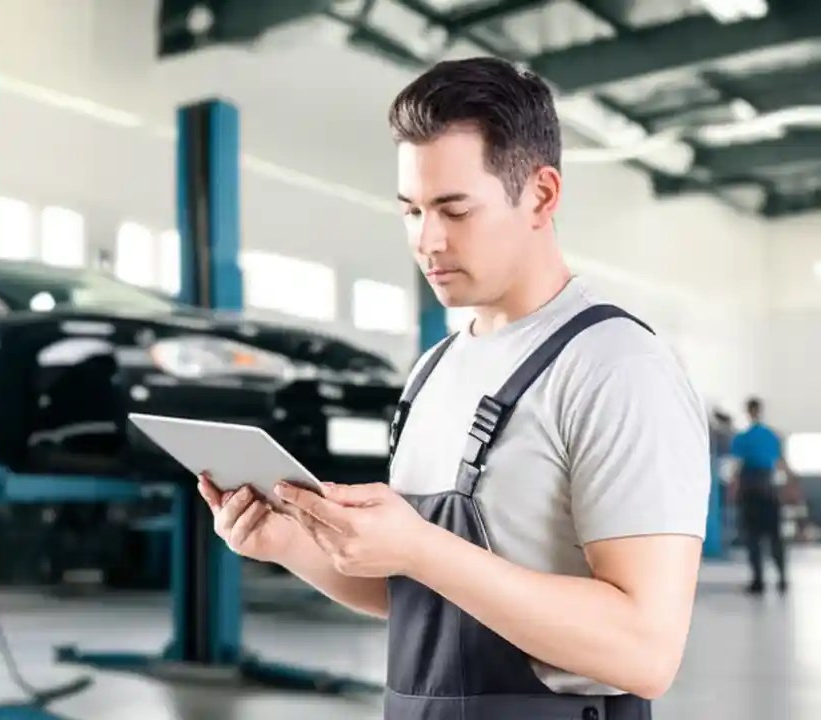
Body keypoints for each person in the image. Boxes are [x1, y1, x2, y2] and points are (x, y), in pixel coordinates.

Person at [196, 56, 710, 720]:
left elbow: (645, 651)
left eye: (454, 209)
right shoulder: (433, 370)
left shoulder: (615, 366)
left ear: (542, 195)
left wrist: (422, 546)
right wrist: (287, 543)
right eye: (411, 211)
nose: (427, 240)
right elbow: (419, 594)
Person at [729, 396, 799, 594]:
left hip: (751, 490)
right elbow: (782, 464)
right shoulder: (771, 436)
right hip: (769, 490)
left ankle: (758, 582)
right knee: (775, 537)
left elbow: (737, 467)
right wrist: (791, 486)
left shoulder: (742, 438)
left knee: (754, 538)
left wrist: (734, 490)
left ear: (748, 411)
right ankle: (782, 580)